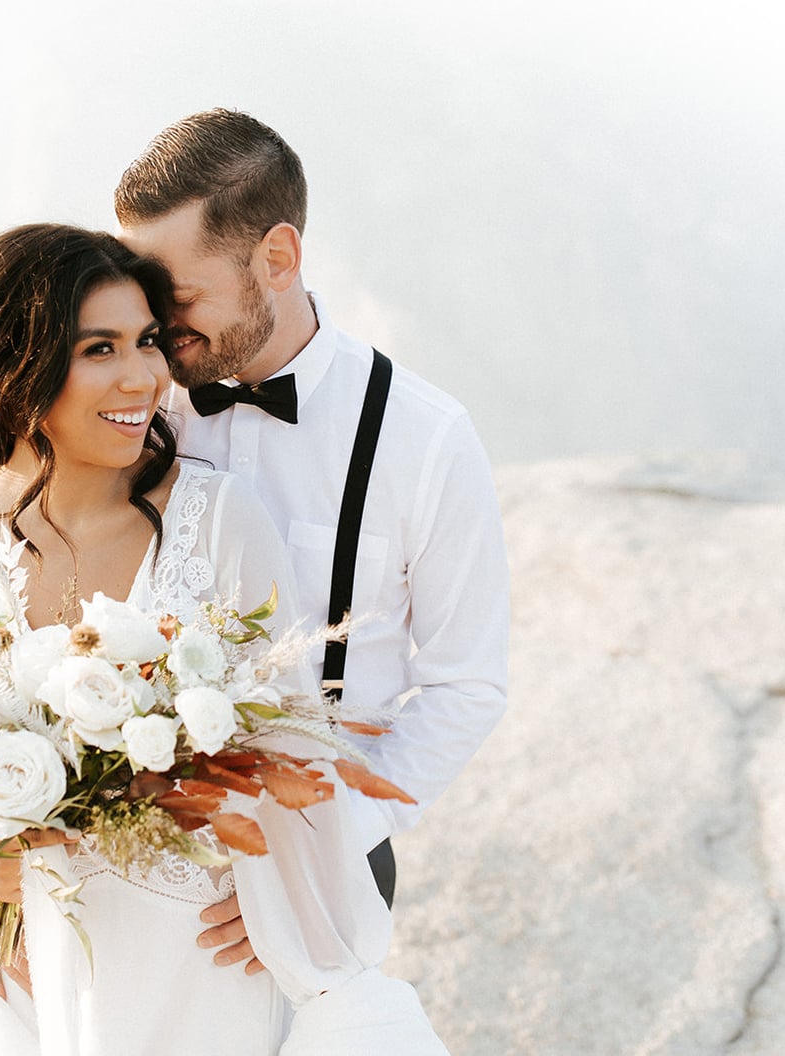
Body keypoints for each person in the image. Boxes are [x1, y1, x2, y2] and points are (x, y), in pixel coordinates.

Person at [0, 224, 446, 1055]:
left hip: (199, 968)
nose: (142, 377)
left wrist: (282, 910)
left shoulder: (222, 522)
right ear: (17, 363)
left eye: (147, 341)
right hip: (24, 975)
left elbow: (295, 749)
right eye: (98, 348)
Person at [115, 110, 511, 973]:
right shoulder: (134, 405)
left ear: (278, 258)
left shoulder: (426, 438)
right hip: (130, 861)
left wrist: (324, 846)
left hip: (331, 862)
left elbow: (467, 683)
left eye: (179, 298)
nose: (158, 327)